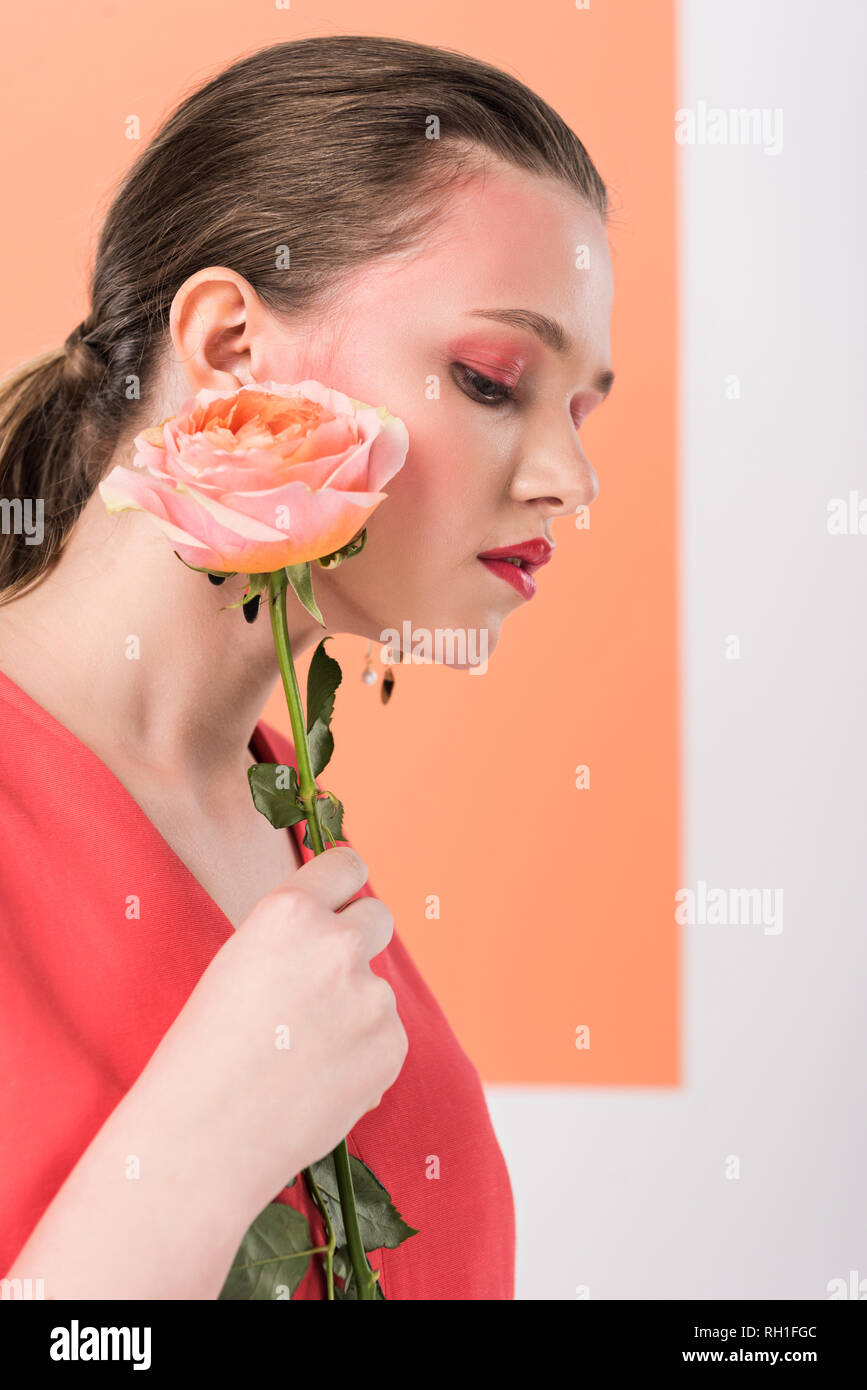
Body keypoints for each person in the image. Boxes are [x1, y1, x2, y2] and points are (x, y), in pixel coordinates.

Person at [0, 34, 613, 1300]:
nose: (569, 480)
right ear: (228, 347)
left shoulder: (301, 835)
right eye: (493, 380)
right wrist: (194, 1152)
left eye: (580, 409)